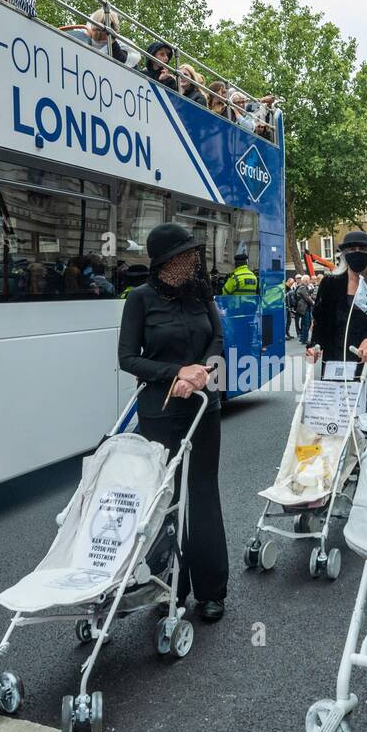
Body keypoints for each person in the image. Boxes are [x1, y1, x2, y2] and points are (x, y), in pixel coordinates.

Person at [117, 222, 229, 621]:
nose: (191, 262)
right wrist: (175, 372)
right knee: (165, 500)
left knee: (201, 494)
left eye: (191, 255)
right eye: (183, 256)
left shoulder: (201, 295)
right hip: (160, 412)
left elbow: (218, 340)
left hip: (203, 407)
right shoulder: (140, 300)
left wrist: (200, 372)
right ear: (164, 263)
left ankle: (212, 589)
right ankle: (170, 586)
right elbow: (128, 358)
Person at [306, 230, 367, 405]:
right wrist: (314, 345)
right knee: (338, 419)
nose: (356, 253)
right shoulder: (330, 284)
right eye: (351, 249)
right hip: (337, 361)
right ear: (344, 255)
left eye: (361, 249)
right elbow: (321, 321)